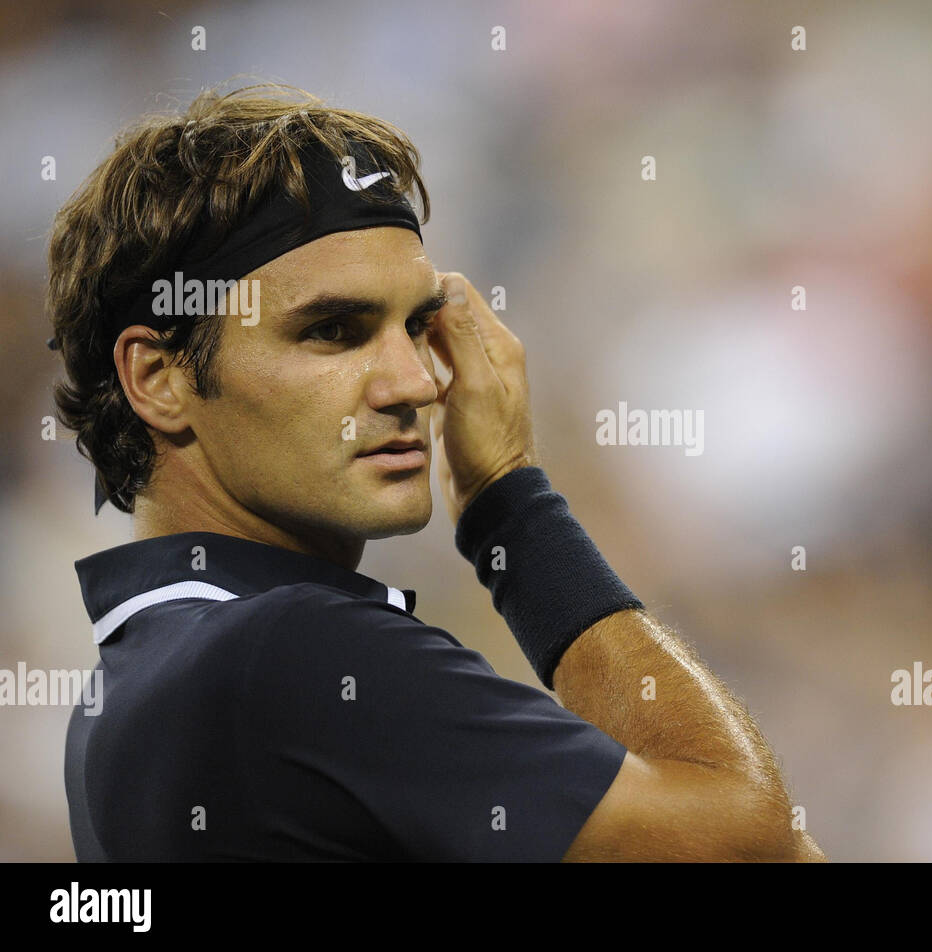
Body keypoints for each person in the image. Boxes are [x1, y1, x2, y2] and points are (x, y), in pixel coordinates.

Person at [49, 83, 826, 862]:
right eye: (332, 331)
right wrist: (511, 501)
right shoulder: (288, 651)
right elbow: (754, 849)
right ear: (158, 376)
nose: (416, 382)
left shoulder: (121, 692)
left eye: (418, 325)